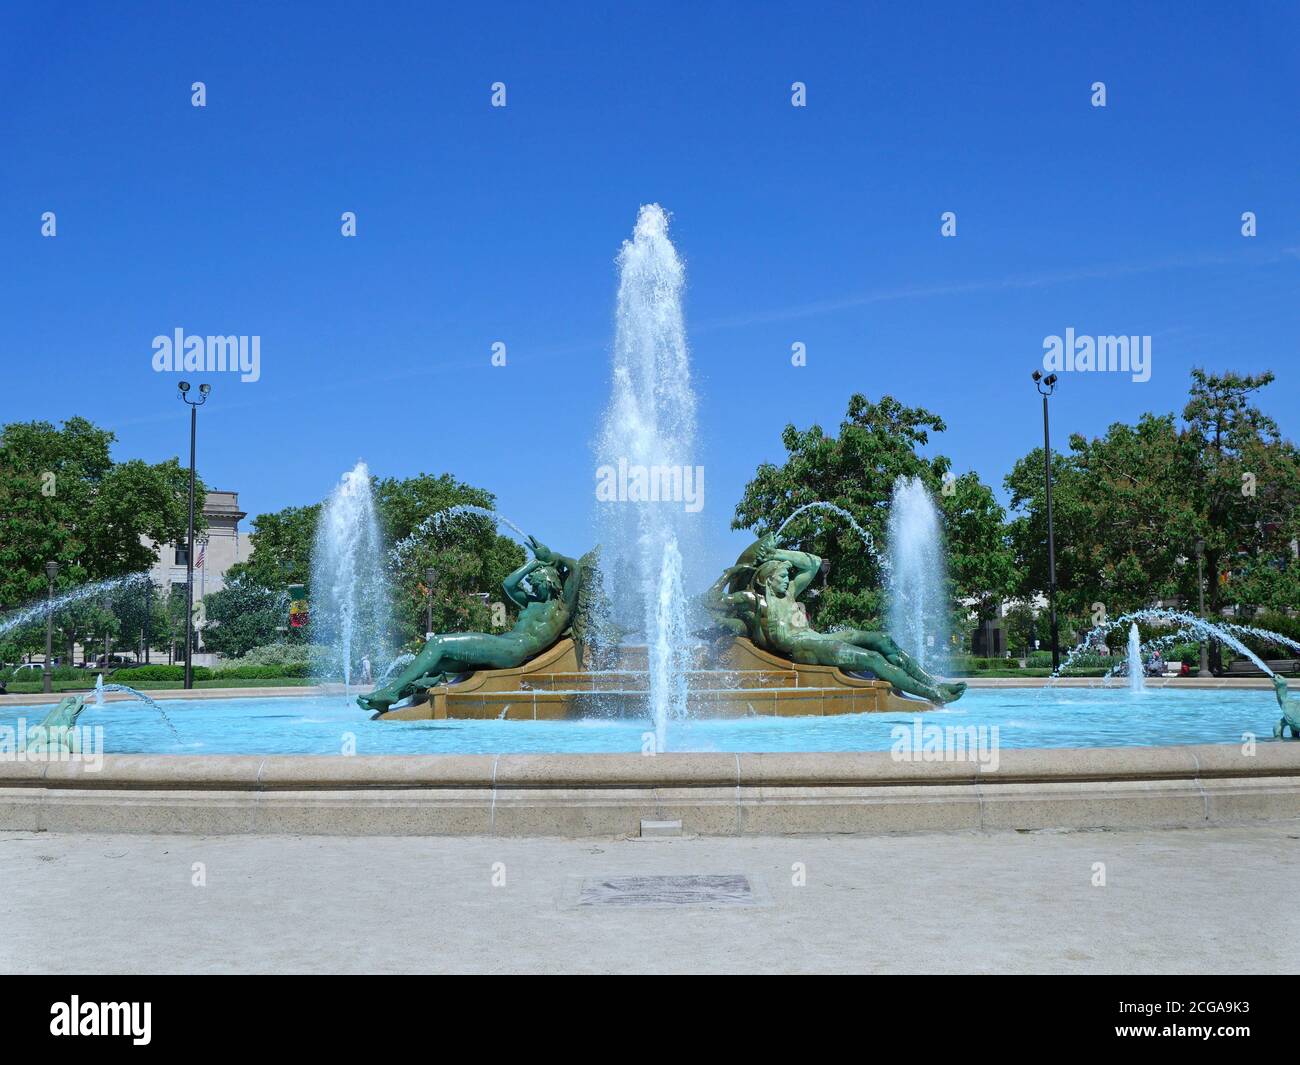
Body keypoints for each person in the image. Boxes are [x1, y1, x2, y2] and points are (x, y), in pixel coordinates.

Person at [705, 533, 965, 704]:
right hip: (802, 649)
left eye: (787, 574)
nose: (787, 578)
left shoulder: (791, 593)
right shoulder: (754, 601)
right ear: (766, 578)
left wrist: (776, 554)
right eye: (782, 575)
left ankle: (931, 681)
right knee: (872, 658)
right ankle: (934, 695)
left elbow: (814, 563)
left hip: (817, 639)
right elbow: (709, 602)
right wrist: (730, 575)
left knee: (882, 640)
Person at [357, 536, 580, 713]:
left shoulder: (561, 608)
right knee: (440, 661)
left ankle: (390, 691)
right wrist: (534, 563)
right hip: (503, 646)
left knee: (439, 643)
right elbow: (508, 583)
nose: (532, 585)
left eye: (537, 581)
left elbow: (576, 568)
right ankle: (394, 698)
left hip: (512, 650)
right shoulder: (530, 604)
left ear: (551, 582)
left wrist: (552, 557)